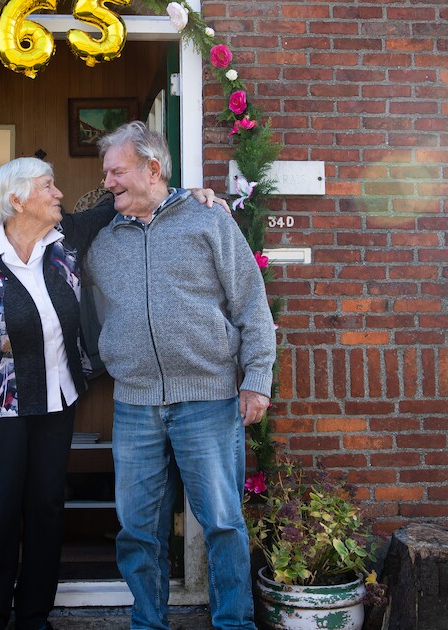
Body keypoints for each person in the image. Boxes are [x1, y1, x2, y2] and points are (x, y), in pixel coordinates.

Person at [84, 121, 275, 630]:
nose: (108, 183)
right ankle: (148, 623)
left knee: (222, 523)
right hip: (135, 404)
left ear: (153, 168)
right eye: (106, 174)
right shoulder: (102, 243)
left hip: (208, 400)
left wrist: (257, 377)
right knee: (137, 530)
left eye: (116, 171)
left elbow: (251, 304)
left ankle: (234, 623)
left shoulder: (209, 220)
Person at [0, 157, 116, 630]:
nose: (58, 193)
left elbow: (118, 197)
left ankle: (35, 616)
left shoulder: (66, 241)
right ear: (17, 199)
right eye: (48, 185)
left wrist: (189, 196)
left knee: (45, 511)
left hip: (57, 404)